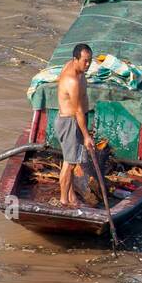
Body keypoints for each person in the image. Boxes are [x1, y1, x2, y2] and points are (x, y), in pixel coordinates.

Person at [56, 43, 95, 208]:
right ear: (75, 59)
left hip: (72, 121)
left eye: (90, 61)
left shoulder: (75, 67)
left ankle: (71, 196)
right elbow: (78, 111)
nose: (88, 65)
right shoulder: (72, 80)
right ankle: (63, 200)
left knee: (71, 162)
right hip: (70, 122)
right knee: (70, 163)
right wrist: (87, 136)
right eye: (85, 61)